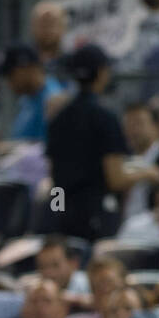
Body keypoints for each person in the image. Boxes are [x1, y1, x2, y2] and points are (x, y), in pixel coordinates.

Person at [44, 43, 130, 240]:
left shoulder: (57, 119)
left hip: (61, 214)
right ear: (101, 73)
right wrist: (148, 174)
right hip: (95, 218)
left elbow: (53, 174)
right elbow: (115, 179)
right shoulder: (105, 118)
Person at [0, 42, 65, 141]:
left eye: (10, 75)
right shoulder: (27, 99)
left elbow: (52, 148)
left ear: (27, 68)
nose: (8, 83)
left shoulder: (52, 99)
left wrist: (13, 148)